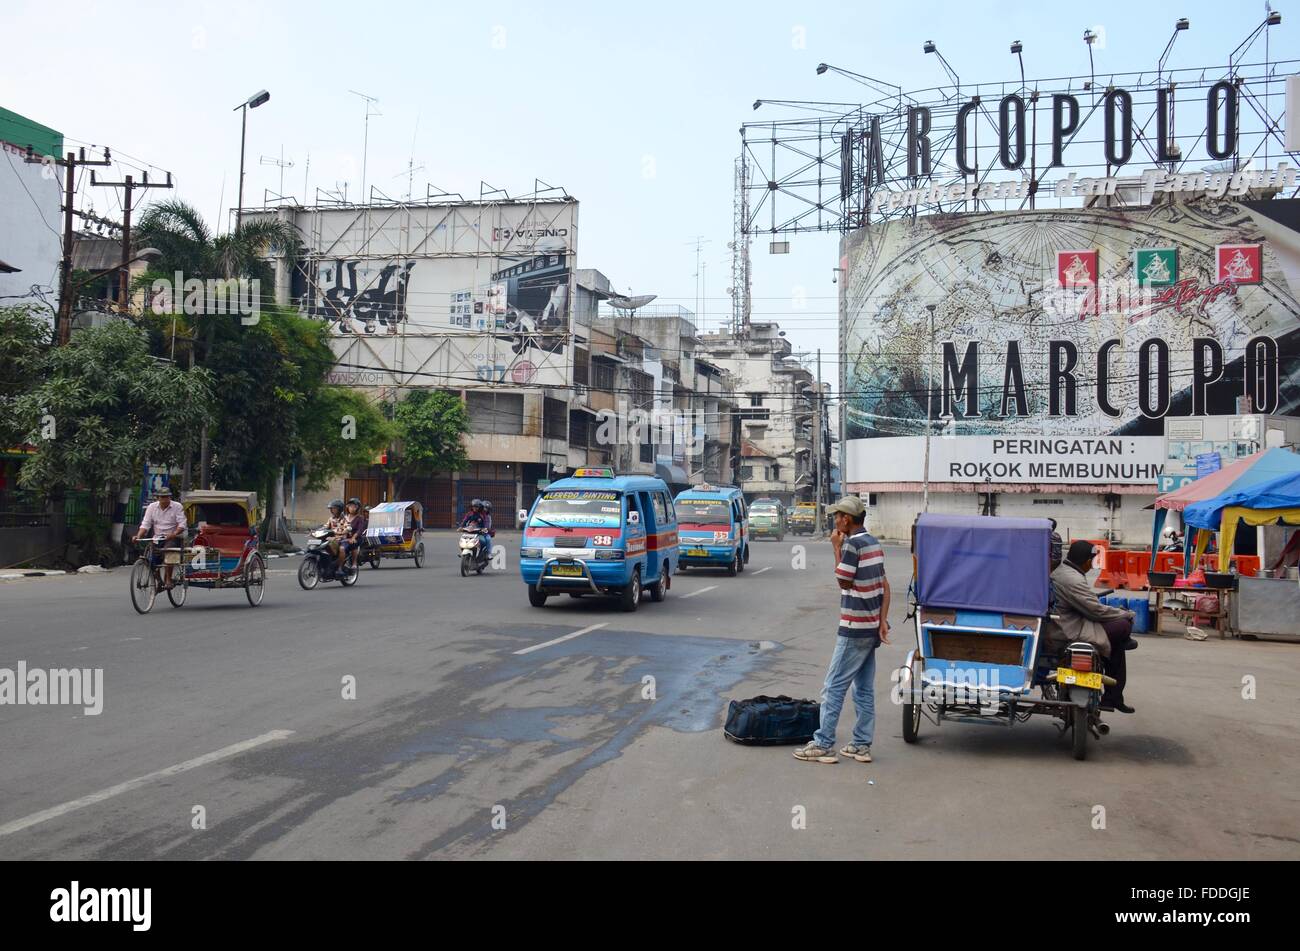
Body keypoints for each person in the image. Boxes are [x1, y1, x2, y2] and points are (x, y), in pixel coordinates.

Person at [794, 496, 890, 765]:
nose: (834, 520)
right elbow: (885, 587)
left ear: (846, 519)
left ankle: (823, 743)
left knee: (833, 687)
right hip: (870, 628)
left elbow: (843, 582)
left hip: (854, 628)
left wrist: (836, 548)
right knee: (863, 690)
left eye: (837, 516)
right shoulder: (874, 543)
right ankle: (861, 745)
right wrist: (882, 621)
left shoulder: (852, 545)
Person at [1048, 539, 1136, 714]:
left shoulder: (1064, 572)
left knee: (1117, 645)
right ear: (1088, 561)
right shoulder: (1071, 578)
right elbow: (1095, 611)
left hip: (1069, 621)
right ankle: (1113, 698)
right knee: (1123, 626)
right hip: (1069, 629)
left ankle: (1114, 697)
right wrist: (1125, 614)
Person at [134, 486, 187, 588]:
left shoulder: (177, 506)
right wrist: (138, 536)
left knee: (169, 552)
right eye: (162, 497)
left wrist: (174, 534)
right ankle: (158, 580)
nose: (164, 499)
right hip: (157, 538)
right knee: (151, 559)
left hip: (173, 537)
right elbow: (146, 524)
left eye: (167, 497)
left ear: (170, 497)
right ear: (157, 498)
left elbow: (182, 524)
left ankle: (168, 579)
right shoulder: (152, 507)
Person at [339, 498, 364, 572]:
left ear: (357, 508)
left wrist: (353, 537)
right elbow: (339, 527)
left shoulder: (360, 518)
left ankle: (353, 563)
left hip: (356, 538)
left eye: (354, 507)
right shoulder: (344, 517)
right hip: (344, 538)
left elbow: (360, 530)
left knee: (349, 546)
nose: (352, 508)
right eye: (350, 506)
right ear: (347, 507)